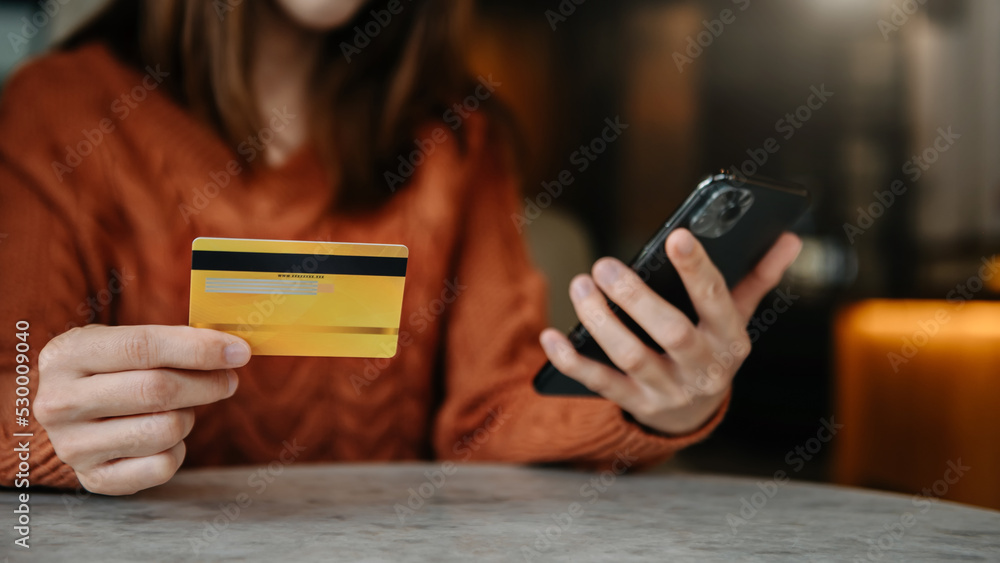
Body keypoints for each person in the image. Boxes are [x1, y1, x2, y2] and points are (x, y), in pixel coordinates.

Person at [0, 0, 801, 495]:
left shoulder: (458, 134)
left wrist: (659, 406)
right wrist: (36, 423)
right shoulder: (53, 115)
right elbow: (17, 375)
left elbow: (485, 420)